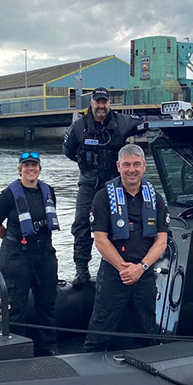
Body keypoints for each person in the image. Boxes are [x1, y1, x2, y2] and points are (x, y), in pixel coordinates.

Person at [83, 144, 169, 352]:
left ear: (144, 167)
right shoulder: (103, 197)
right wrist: (125, 270)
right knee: (100, 330)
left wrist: (140, 268)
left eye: (136, 165)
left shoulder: (155, 198)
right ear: (118, 167)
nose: (132, 169)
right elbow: (100, 240)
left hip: (144, 273)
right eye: (127, 165)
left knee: (147, 330)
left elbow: (161, 240)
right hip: (115, 274)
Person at [63, 87, 142, 285]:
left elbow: (145, 123)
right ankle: (81, 271)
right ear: (91, 103)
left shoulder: (121, 122)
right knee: (81, 225)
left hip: (113, 185)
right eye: (97, 102)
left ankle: (117, 268)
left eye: (104, 102)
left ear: (109, 103)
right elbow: (68, 151)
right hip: (89, 183)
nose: (101, 106)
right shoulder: (78, 127)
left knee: (119, 225)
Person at [0, 152, 60, 356]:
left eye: (34, 165)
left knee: (47, 304)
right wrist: (11, 242)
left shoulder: (48, 191)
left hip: (44, 254)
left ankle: (48, 348)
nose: (31, 169)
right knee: (15, 307)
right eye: (26, 165)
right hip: (17, 257)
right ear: (20, 170)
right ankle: (17, 351)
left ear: (40, 168)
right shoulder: (8, 195)